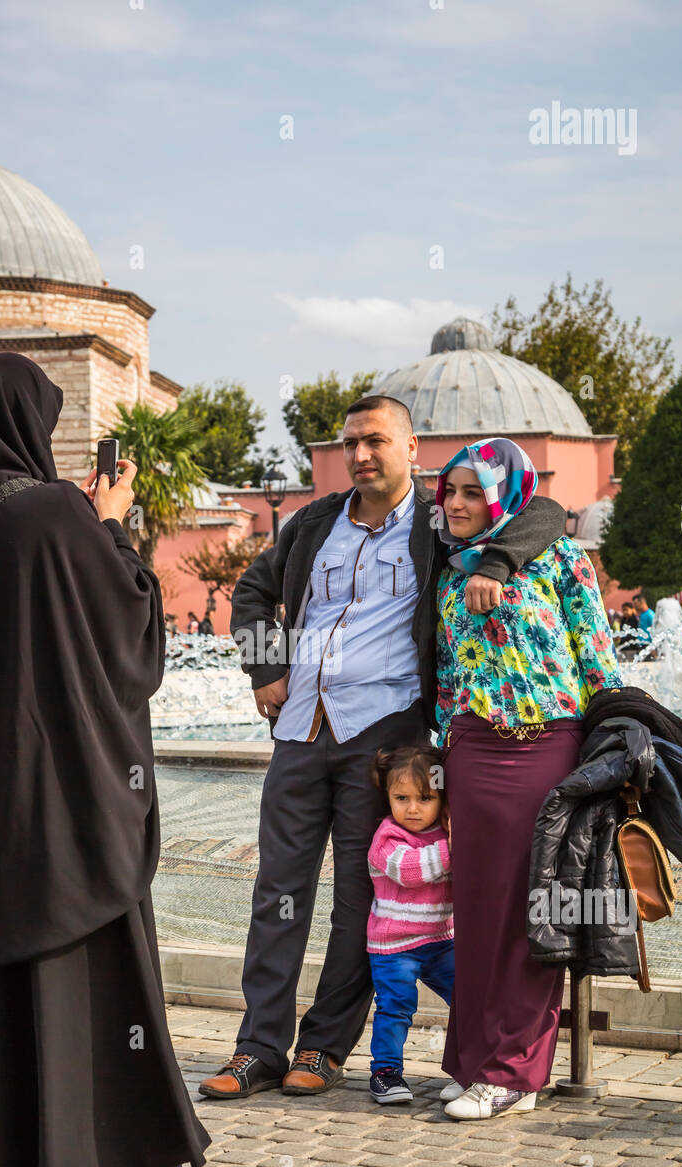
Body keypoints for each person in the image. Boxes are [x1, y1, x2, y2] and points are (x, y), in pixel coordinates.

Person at [0, 353, 209, 1167]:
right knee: (69, 951)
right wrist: (109, 522)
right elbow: (130, 638)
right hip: (51, 794)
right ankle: (91, 1158)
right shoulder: (54, 511)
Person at [198, 397, 565, 1101]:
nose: (361, 454)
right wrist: (265, 668)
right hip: (302, 728)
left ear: (410, 446)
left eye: (375, 441)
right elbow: (250, 591)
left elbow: (542, 514)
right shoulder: (314, 521)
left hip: (385, 738)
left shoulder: (442, 521)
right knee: (277, 889)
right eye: (350, 443)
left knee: (365, 897)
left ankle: (324, 1047)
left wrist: (498, 558)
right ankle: (257, 1048)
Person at [433, 437, 622, 1121]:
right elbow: (449, 675)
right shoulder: (452, 572)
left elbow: (597, 662)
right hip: (473, 753)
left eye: (472, 491)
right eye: (449, 490)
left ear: (502, 496)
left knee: (528, 912)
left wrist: (611, 753)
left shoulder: (561, 559)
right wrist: (438, 750)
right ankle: (472, 1059)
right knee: (477, 913)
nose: (456, 503)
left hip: (547, 748)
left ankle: (515, 1073)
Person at [365, 743, 454, 1105]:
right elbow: (409, 871)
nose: (413, 808)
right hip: (393, 947)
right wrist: (460, 847)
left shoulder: (447, 833)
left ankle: (470, 1067)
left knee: (470, 1000)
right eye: (401, 797)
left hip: (442, 942)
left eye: (425, 798)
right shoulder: (387, 838)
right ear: (387, 797)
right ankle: (385, 1073)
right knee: (396, 1006)